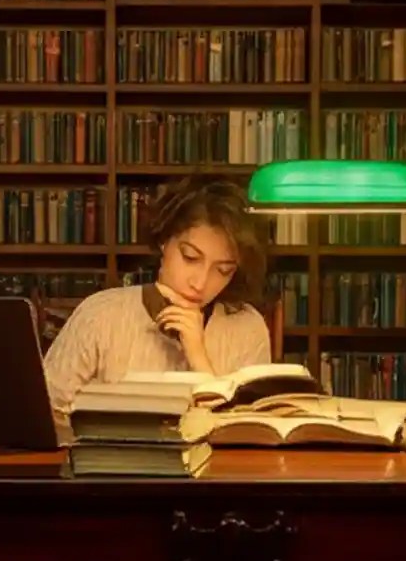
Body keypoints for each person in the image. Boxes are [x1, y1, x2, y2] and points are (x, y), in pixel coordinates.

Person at [42, 172, 273, 419]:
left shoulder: (248, 328)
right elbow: (47, 413)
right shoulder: (100, 314)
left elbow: (249, 435)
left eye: (223, 270)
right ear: (164, 240)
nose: (201, 283)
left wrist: (199, 358)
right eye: (190, 257)